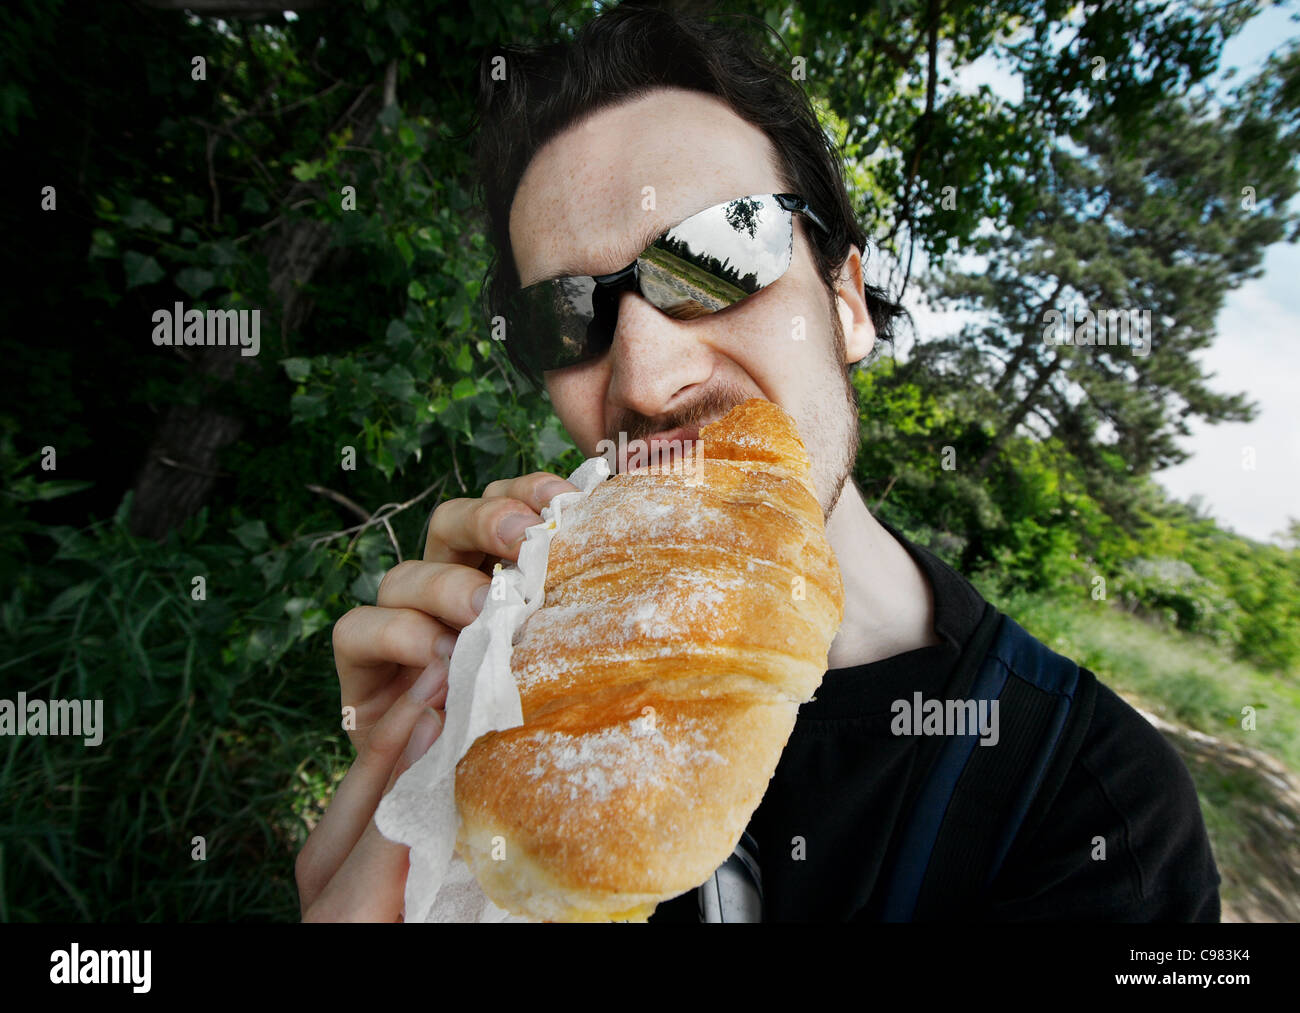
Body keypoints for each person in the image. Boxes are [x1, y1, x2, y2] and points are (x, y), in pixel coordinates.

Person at [296, 0, 1220, 922]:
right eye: (567, 315)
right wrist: (432, 782)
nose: (648, 378)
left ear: (848, 302)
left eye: (716, 251)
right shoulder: (519, 711)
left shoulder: (1094, 803)